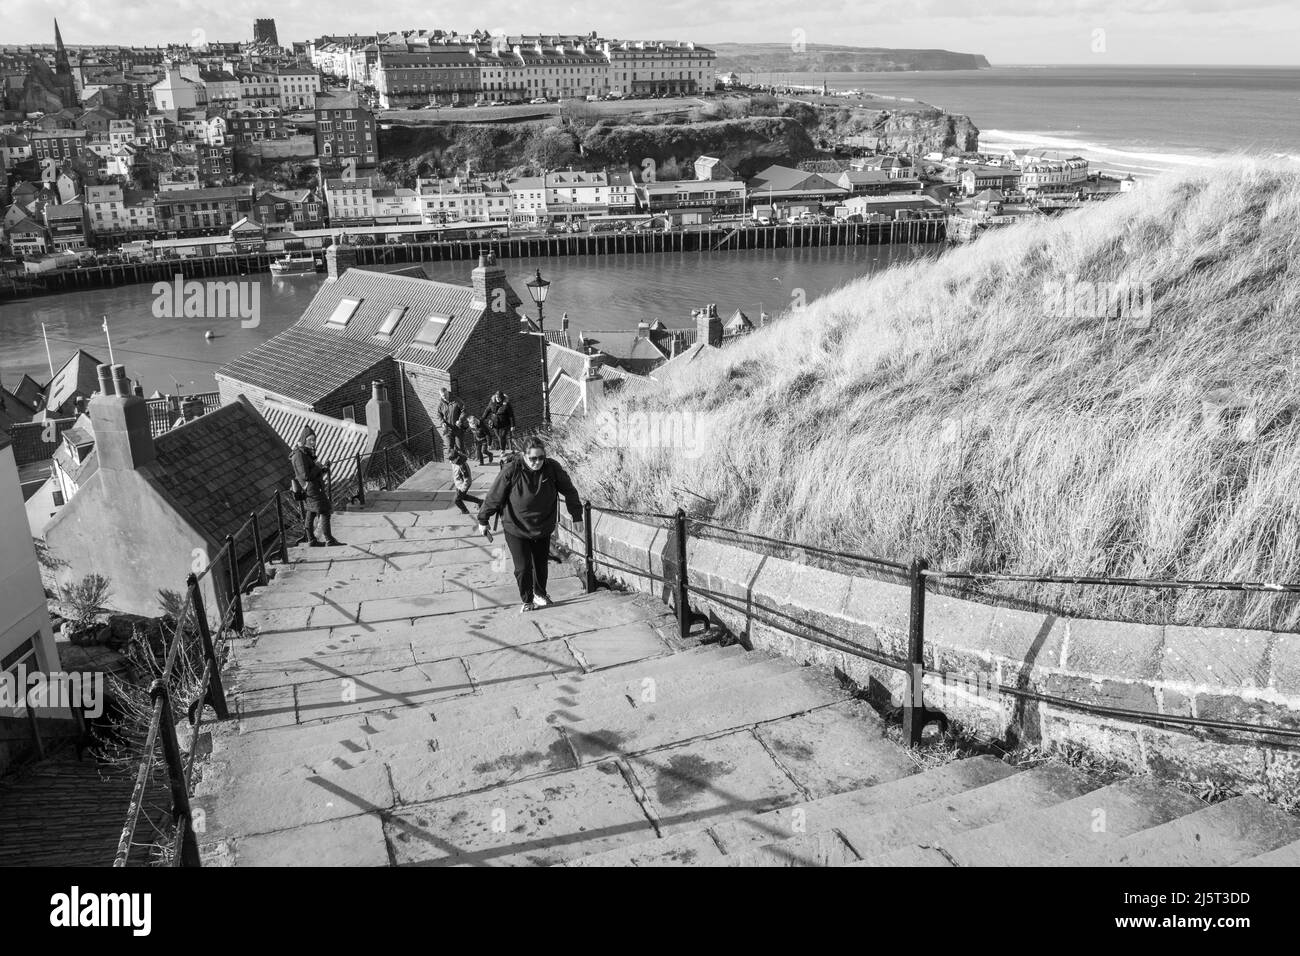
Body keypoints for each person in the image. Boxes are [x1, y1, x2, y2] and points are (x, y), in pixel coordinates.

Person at [478, 437, 582, 612]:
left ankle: (540, 594)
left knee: (541, 564)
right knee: (523, 567)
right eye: (533, 458)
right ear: (524, 456)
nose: (537, 462)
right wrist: (483, 520)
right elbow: (494, 496)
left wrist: (577, 515)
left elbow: (569, 491)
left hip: (542, 526)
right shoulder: (512, 470)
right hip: (515, 526)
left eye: (541, 457)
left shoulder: (552, 468)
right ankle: (527, 600)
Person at [290, 426, 342, 547]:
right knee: (324, 511)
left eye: (314, 439)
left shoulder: (305, 452)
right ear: (304, 440)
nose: (313, 442)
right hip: (311, 489)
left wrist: (323, 468)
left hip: (312, 488)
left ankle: (311, 540)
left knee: (311, 512)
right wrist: (318, 467)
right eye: (310, 439)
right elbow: (305, 475)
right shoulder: (299, 455)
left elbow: (312, 472)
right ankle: (329, 540)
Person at [449, 449, 483, 514]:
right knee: (463, 497)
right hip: (458, 483)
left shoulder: (462, 466)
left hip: (464, 484)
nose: (450, 462)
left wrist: (463, 488)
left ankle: (465, 511)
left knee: (457, 500)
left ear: (457, 457)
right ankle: (480, 502)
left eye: (452, 460)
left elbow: (467, 478)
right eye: (450, 460)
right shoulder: (455, 461)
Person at [437, 386, 465, 459]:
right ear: (440, 395)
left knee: (460, 447)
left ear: (448, 393)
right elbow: (439, 414)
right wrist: (442, 422)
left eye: (446, 395)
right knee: (449, 447)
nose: (445, 397)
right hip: (448, 429)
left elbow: (464, 410)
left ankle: (463, 465)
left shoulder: (456, 400)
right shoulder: (441, 404)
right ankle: (453, 465)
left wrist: (460, 420)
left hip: (457, 428)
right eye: (443, 396)